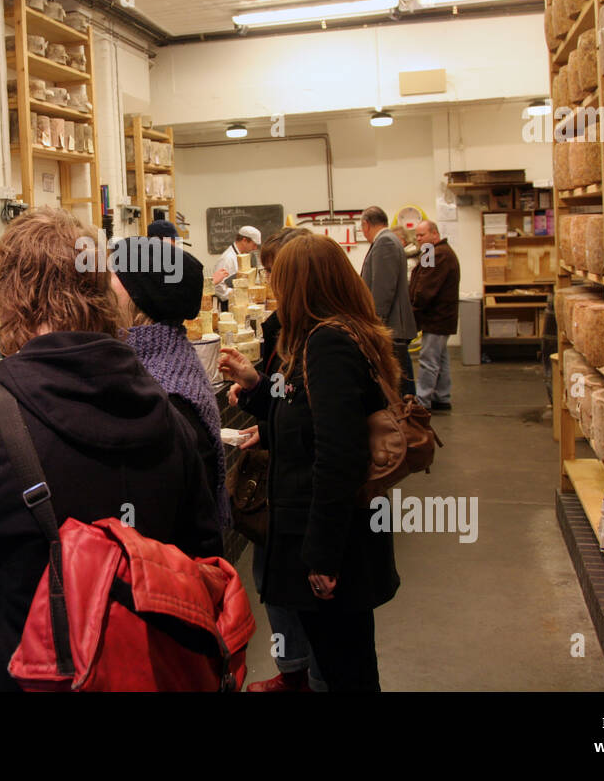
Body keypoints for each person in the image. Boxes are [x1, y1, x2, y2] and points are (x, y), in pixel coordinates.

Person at [0, 207, 222, 691]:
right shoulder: (168, 412)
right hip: (140, 668)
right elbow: (202, 552)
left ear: (11, 299)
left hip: (20, 674)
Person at [222, 233, 400, 691]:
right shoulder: (337, 333)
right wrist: (259, 387)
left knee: (346, 669)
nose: (277, 296)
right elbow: (307, 416)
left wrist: (322, 555)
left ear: (304, 287)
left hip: (332, 541)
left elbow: (338, 455)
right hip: (337, 537)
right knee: (346, 660)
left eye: (282, 284)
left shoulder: (328, 345)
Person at [221, 225, 325, 692]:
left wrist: (263, 402)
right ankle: (295, 672)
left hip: (305, 495)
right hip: (286, 487)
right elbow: (290, 408)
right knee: (274, 580)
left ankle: (311, 676)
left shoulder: (324, 343)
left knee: (306, 594)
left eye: (273, 273)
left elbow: (326, 438)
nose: (268, 283)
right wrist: (259, 396)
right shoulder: (288, 329)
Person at [108, 235, 225, 521]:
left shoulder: (167, 393)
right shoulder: (159, 361)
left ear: (137, 297)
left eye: (113, 275)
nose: (104, 289)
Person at [359, 207, 417, 397]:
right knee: (402, 379)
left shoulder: (385, 242)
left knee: (400, 384)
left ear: (366, 225)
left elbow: (383, 290)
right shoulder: (389, 240)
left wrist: (375, 324)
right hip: (393, 327)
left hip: (392, 327)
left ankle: (408, 421)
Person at [409, 220, 460, 411]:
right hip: (441, 317)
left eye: (422, 235)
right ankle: (442, 397)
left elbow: (425, 287)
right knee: (441, 358)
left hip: (436, 318)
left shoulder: (437, 253)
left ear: (435, 234)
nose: (419, 239)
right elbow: (421, 278)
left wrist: (413, 308)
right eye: (417, 236)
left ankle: (422, 402)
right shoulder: (434, 252)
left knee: (428, 360)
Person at [213, 225, 261, 310]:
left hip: (239, 304)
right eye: (254, 245)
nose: (255, 248)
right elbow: (218, 287)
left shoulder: (243, 256)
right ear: (244, 240)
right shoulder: (227, 258)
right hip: (229, 305)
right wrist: (237, 294)